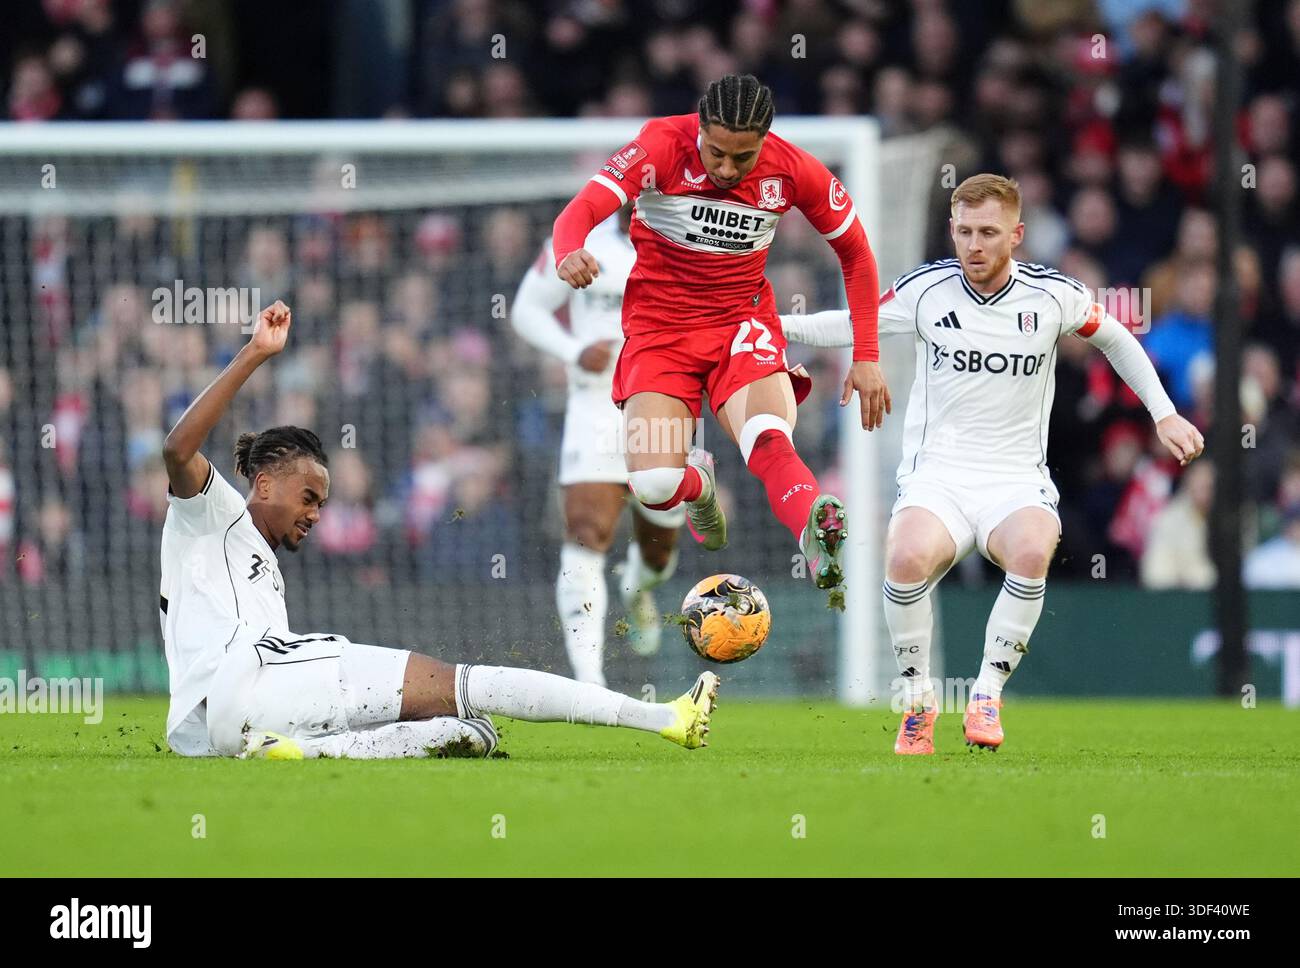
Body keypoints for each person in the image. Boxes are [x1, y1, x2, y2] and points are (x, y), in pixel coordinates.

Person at [159, 300, 719, 760]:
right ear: (262, 483)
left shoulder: (259, 568)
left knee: (469, 730)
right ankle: (662, 717)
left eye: (322, 504)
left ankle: (303, 751)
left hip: (219, 728)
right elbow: (178, 448)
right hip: (254, 677)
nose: (315, 514)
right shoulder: (213, 513)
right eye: (308, 498)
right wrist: (256, 353)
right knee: (464, 684)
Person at [781, 173, 1204, 753]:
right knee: (905, 557)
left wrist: (1163, 414)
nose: (973, 245)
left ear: (1017, 235)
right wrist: (773, 327)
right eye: (963, 232)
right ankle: (917, 702)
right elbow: (852, 323)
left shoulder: (1053, 295)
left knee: (1032, 550)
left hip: (1016, 478)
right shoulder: (927, 291)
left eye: (987, 232)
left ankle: (985, 694)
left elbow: (1117, 339)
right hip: (938, 475)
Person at [551, 73, 889, 592]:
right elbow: (583, 209)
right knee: (655, 486)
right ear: (700, 130)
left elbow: (857, 254)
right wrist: (568, 248)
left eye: (743, 157)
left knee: (768, 435)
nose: (728, 168)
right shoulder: (660, 145)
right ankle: (698, 482)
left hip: (741, 325)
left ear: (764, 143)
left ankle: (815, 540)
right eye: (716, 154)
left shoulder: (795, 169)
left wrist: (866, 355)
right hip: (659, 335)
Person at [513, 204, 853, 681]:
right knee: (587, 531)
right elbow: (526, 309)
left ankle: (637, 589)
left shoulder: (695, 249)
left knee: (657, 548)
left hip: (663, 396)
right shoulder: (581, 245)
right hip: (595, 406)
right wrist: (573, 350)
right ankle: (590, 681)